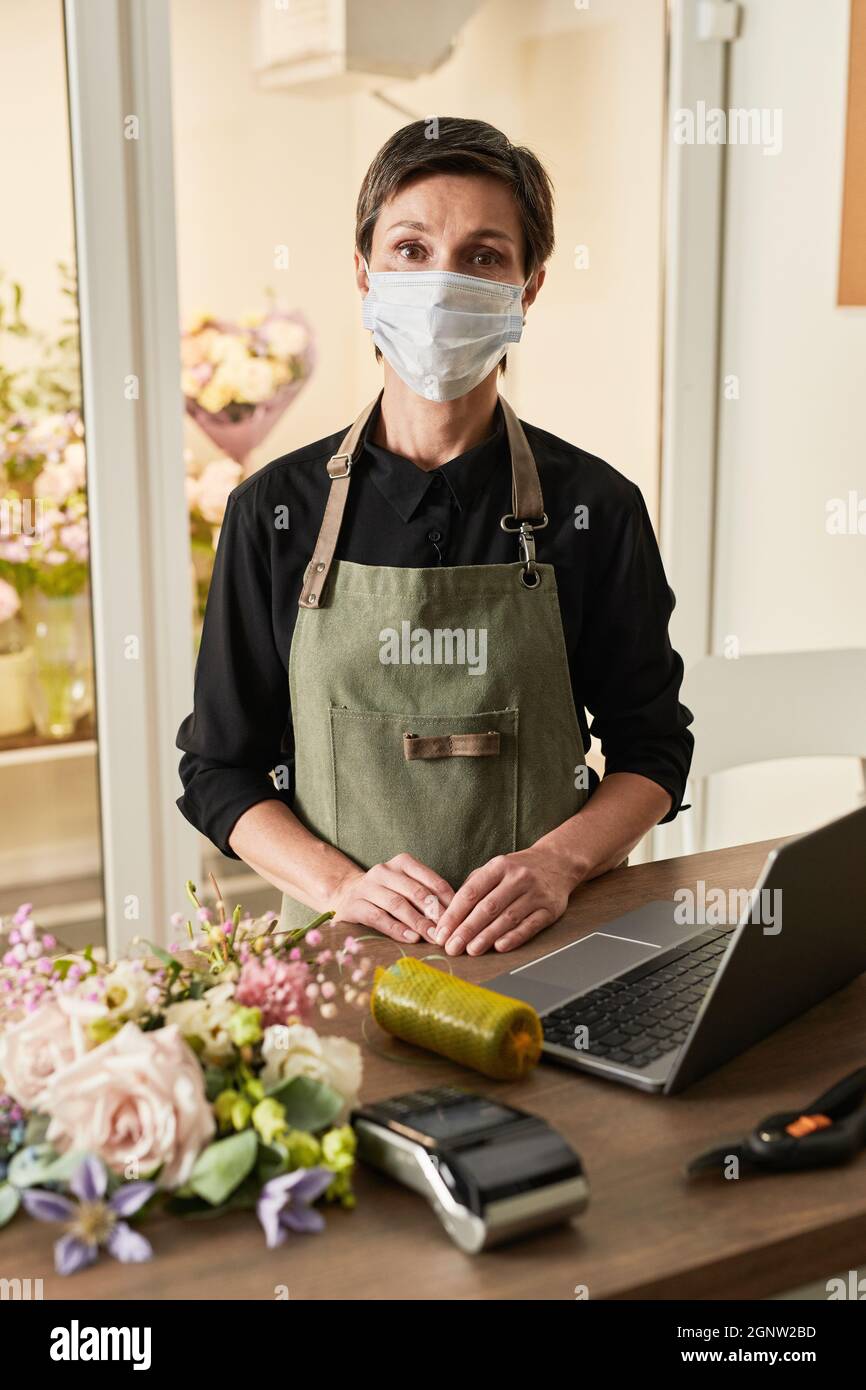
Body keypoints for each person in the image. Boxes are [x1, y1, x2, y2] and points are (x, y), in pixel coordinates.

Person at [177, 117, 693, 958]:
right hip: (338, 959)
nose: (443, 282)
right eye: (411, 250)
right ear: (364, 273)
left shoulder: (597, 507)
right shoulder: (274, 513)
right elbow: (218, 771)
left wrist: (558, 863)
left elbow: (654, 750)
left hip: (552, 945)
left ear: (527, 289)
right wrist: (341, 885)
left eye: (484, 256)